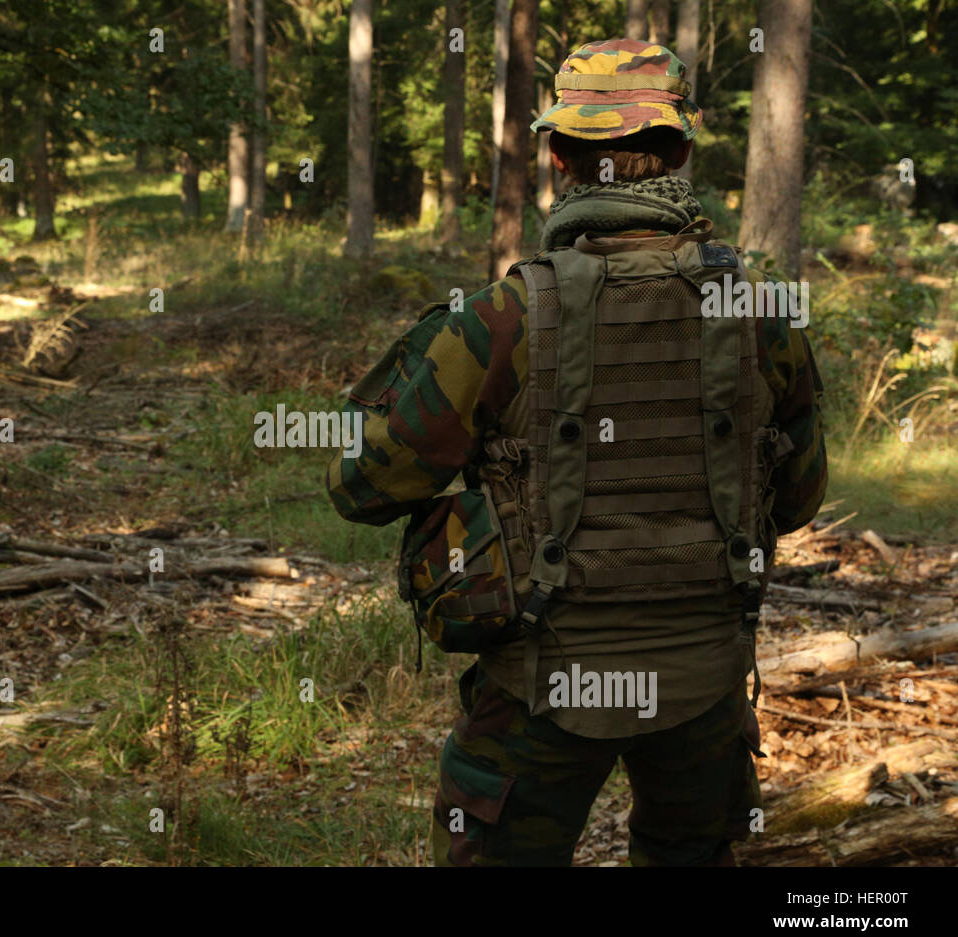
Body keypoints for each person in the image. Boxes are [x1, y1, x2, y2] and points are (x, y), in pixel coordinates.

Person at [325, 38, 827, 866]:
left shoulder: (503, 317)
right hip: (704, 683)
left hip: (540, 684)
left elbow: (364, 486)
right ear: (683, 153)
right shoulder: (760, 314)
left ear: (559, 158)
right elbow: (799, 501)